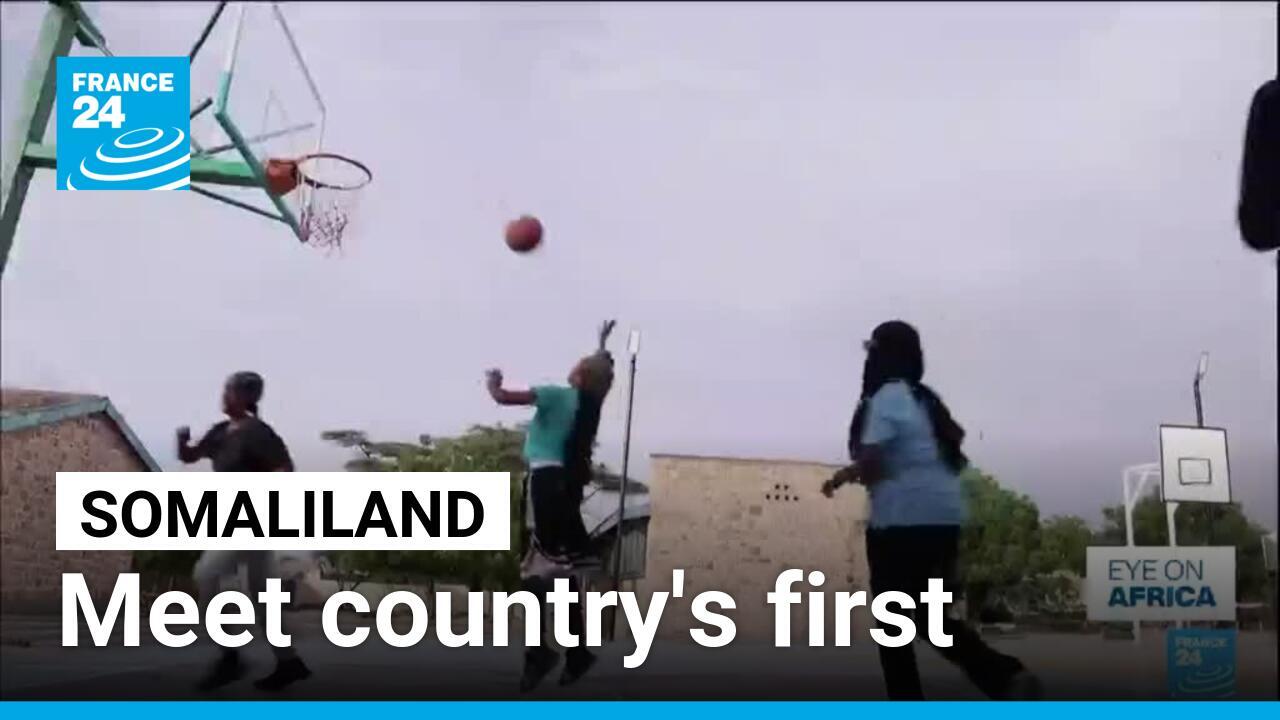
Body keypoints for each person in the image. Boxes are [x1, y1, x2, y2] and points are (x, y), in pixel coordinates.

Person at [821, 321, 1041, 700]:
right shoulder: (925, 398)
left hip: (901, 524)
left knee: (893, 624)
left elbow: (873, 462)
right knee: (930, 617)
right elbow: (954, 438)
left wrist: (851, 475)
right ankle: (1005, 677)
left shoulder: (887, 397)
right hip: (943, 520)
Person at [487, 320, 616, 691]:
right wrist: (602, 345)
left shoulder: (558, 394)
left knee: (539, 577)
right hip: (560, 488)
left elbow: (504, 398)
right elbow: (600, 373)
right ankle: (571, 652)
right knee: (554, 576)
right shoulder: (588, 405)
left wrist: (493, 381)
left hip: (546, 487)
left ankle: (547, 653)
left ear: (579, 372)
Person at [177, 371, 312, 693]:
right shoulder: (222, 431)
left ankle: (230, 657)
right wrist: (182, 441)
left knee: (206, 575)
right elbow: (191, 456)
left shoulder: (258, 433)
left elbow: (285, 471)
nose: (223, 396)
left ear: (245, 397)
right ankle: (289, 663)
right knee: (263, 598)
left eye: (229, 391)